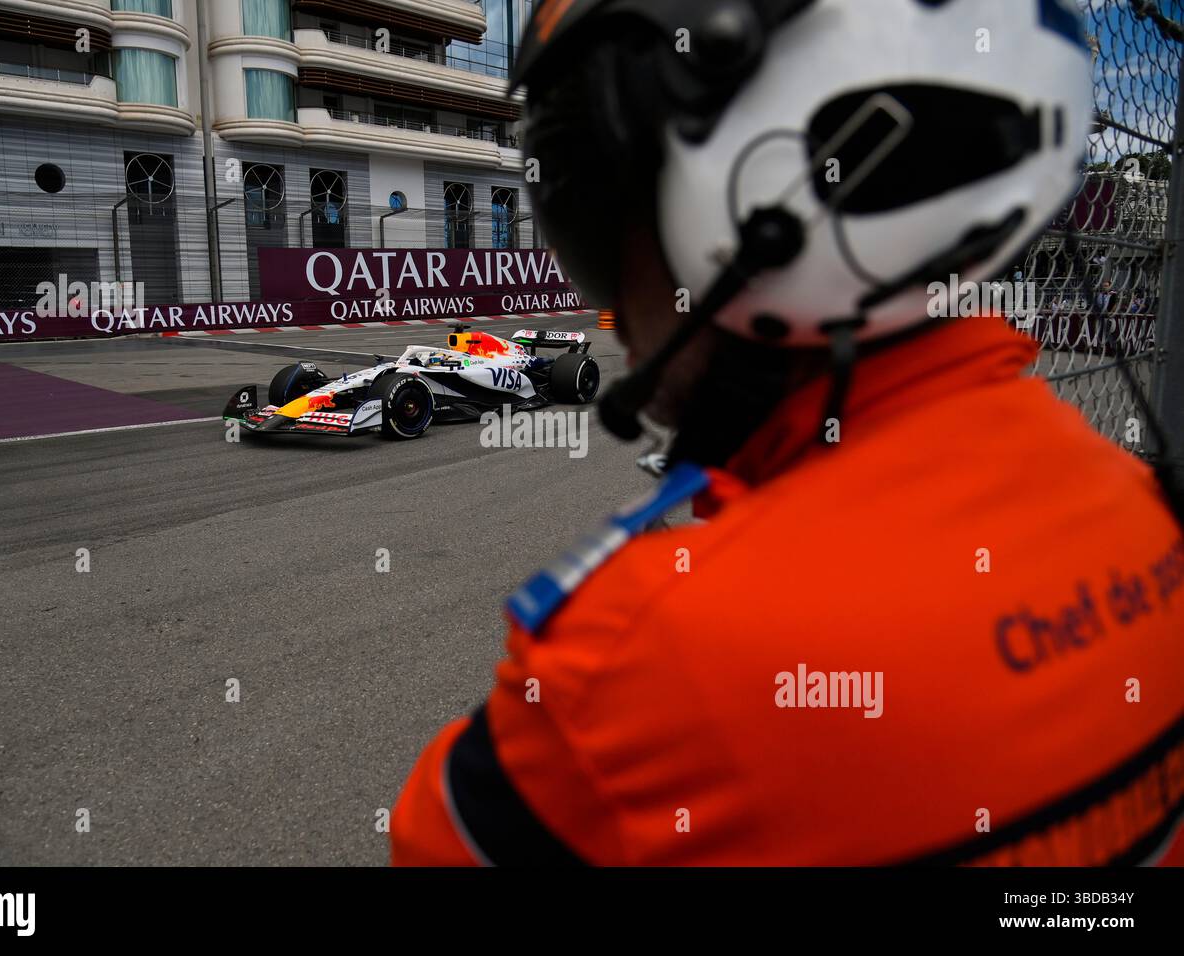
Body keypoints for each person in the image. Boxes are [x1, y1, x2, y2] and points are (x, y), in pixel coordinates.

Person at [392, 0, 1184, 865]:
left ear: (766, 206)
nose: (614, 309)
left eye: (607, 213)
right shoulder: (1143, 504)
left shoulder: (635, 657)